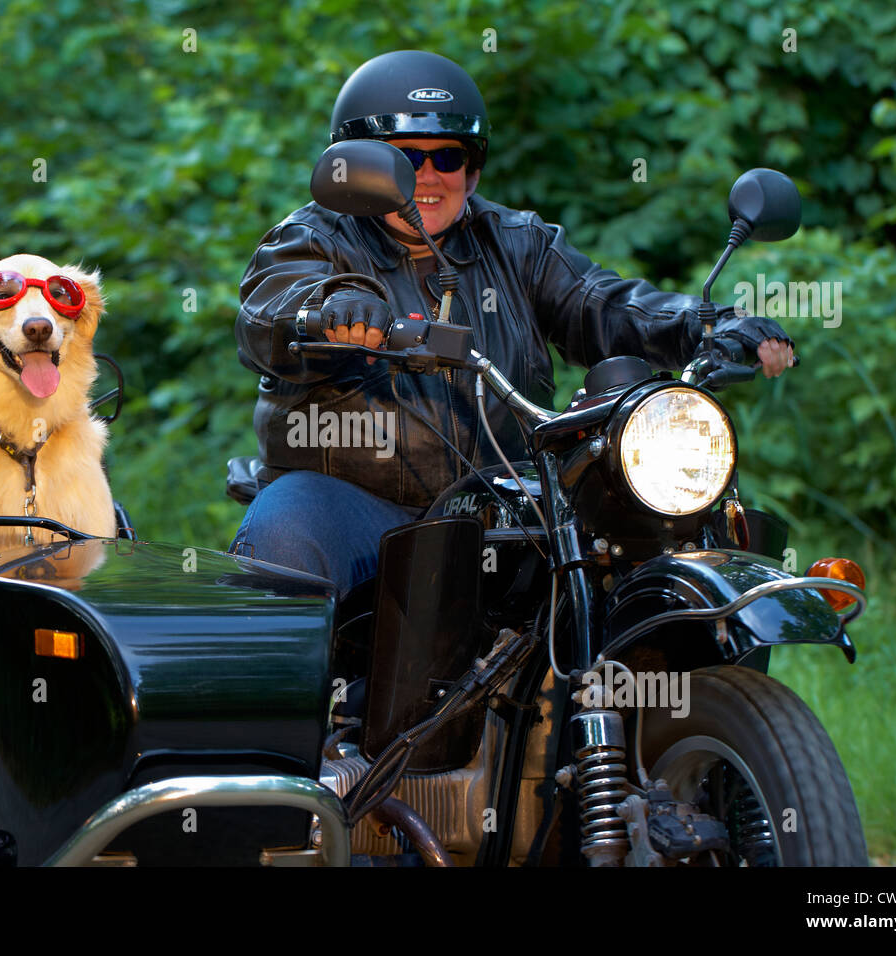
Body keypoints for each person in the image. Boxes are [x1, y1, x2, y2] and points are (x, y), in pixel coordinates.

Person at [230, 50, 795, 595]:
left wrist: (706, 326)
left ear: (471, 167)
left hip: (501, 505)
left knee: (645, 538)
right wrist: (336, 305)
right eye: (404, 158)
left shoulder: (515, 242)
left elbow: (601, 304)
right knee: (286, 529)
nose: (429, 175)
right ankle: (272, 689)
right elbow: (270, 308)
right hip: (354, 502)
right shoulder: (313, 238)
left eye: (447, 157)